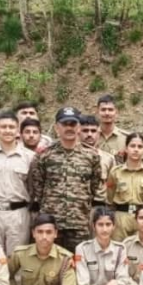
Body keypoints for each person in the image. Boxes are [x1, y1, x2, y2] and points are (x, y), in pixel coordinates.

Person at [28, 107, 101, 252]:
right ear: (57, 127)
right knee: (49, 263)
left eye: (73, 124)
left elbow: (93, 186)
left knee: (78, 264)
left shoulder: (91, 156)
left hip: (79, 223)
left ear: (79, 127)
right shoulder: (44, 156)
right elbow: (37, 186)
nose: (69, 128)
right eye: (65, 124)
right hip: (51, 223)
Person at [0, 111, 36, 256]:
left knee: (17, 257)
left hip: (19, 213)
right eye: (3, 127)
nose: (7, 130)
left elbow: (33, 188)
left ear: (17, 131)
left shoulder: (30, 157)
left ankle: (16, 280)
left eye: (11, 127)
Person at [108, 134, 143, 240]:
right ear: (126, 148)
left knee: (141, 248)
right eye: (132, 146)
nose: (136, 150)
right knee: (119, 250)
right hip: (121, 217)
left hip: (142, 218)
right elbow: (109, 198)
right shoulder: (115, 172)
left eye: (140, 147)